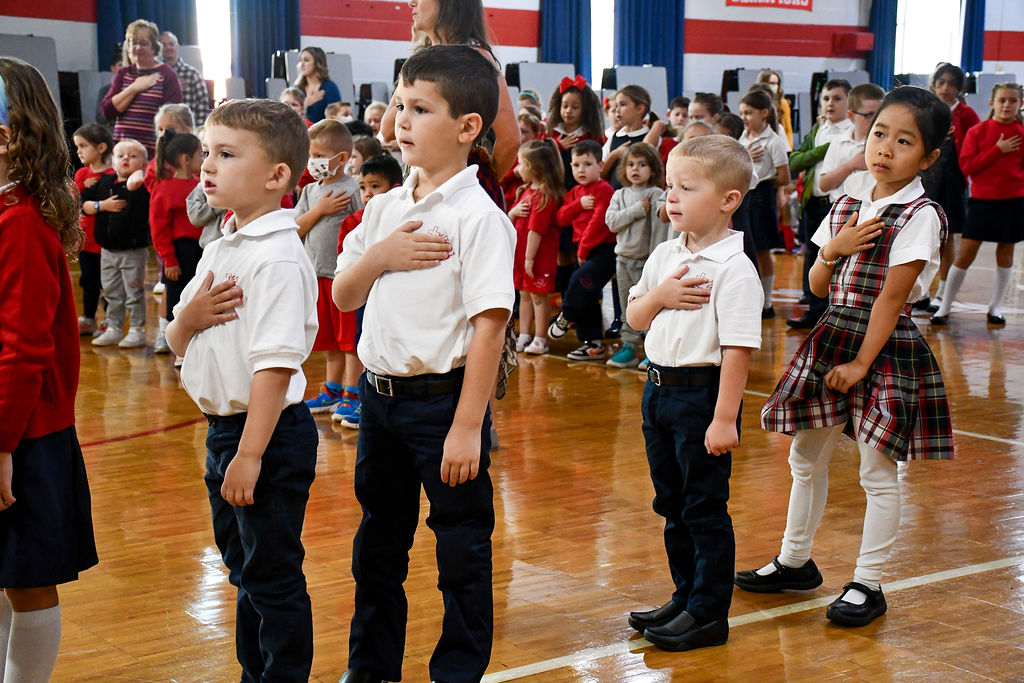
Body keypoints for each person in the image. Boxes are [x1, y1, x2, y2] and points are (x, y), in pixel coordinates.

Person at [736, 87, 955, 628]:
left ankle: (868, 581)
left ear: (927, 158)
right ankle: (794, 560)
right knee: (805, 459)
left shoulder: (921, 214)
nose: (885, 148)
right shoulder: (847, 204)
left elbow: (892, 297)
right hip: (833, 332)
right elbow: (816, 281)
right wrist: (833, 249)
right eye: (880, 134)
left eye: (904, 142)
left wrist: (860, 364)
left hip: (883, 346)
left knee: (878, 474)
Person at [332, 45, 514, 683]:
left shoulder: (478, 218)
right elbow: (344, 295)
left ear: (467, 127)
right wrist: (380, 254)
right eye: (399, 106)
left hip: (444, 404)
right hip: (378, 403)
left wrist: (469, 426)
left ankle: (458, 672)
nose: (399, 122)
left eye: (419, 109)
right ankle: (371, 668)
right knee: (377, 548)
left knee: (461, 551)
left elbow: (489, 327)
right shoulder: (383, 207)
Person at [166, 98, 319, 681]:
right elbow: (177, 337)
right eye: (207, 152)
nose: (207, 166)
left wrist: (249, 455)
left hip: (266, 439)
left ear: (277, 176)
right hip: (225, 432)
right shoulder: (223, 244)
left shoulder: (277, 258)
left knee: (272, 577)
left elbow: (274, 370)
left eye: (227, 155)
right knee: (243, 571)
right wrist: (193, 316)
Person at [624, 135, 761, 652]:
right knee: (671, 504)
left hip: (702, 399)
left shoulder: (734, 269)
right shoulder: (665, 253)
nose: (672, 197)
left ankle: (708, 614)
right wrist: (658, 296)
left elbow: (738, 350)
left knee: (704, 509)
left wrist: (725, 418)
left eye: (686, 187)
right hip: (657, 393)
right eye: (669, 187)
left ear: (728, 200)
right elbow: (635, 318)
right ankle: (684, 596)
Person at [0, 56, 99, 681]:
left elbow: (22, 348)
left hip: (21, 436)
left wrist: (1, 444)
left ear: (7, 136)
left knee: (27, 581)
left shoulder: (20, 225)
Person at [380, 0, 521, 179]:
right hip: (421, 184)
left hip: (457, 189)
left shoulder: (475, 58)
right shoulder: (423, 58)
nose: (411, 3)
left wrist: (485, 185)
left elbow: (510, 139)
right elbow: (387, 129)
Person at [932, 82, 1024, 326]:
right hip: (982, 201)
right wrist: (998, 149)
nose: (1007, 105)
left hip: (1013, 201)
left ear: (1020, 104)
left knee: (1006, 253)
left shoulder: (1022, 134)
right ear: (992, 103)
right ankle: (944, 307)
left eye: (1012, 100)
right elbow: (968, 167)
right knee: (966, 254)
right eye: (1002, 100)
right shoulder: (978, 132)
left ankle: (995, 308)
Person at [296, 119, 363, 422]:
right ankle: (333, 389)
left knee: (349, 339)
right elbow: (295, 228)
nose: (314, 162)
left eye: (320, 155)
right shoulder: (310, 191)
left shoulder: (353, 188)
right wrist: (320, 210)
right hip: (317, 276)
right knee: (329, 340)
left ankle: (354, 392)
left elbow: (363, 226)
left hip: (344, 279)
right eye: (312, 155)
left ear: (342, 158)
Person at [332, 153, 405, 430]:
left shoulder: (403, 220)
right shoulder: (353, 222)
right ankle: (363, 397)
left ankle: (374, 399)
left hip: (393, 300)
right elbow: (345, 264)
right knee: (363, 342)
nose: (367, 193)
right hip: (363, 297)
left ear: (395, 188)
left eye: (375, 186)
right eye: (363, 187)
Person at [787, 79, 853, 329]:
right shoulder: (819, 129)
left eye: (837, 98)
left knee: (833, 257)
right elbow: (795, 162)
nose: (830, 104)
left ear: (848, 103)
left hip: (835, 203)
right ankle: (814, 308)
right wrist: (823, 150)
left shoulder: (850, 132)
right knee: (812, 254)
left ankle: (832, 312)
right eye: (826, 98)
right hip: (812, 201)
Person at [548, 139, 616, 360]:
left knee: (580, 281)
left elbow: (599, 223)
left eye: (587, 164)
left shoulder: (604, 189)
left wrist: (583, 252)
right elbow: (561, 217)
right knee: (587, 292)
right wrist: (578, 205)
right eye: (576, 165)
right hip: (584, 250)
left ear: (601, 166)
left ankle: (566, 316)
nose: (581, 170)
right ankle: (593, 345)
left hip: (603, 249)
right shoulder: (576, 192)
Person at [81, 139, 151, 348]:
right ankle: (114, 327)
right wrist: (101, 205)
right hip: (108, 251)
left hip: (133, 250)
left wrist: (140, 176)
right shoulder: (103, 182)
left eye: (133, 156)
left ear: (143, 163)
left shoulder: (143, 185)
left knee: (134, 292)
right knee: (111, 292)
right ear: (113, 160)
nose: (126, 159)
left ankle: (137, 330)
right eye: (121, 156)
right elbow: (84, 206)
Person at [923, 63, 981, 313]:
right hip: (926, 179)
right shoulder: (925, 109)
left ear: (959, 88)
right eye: (941, 82)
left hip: (954, 182)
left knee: (946, 240)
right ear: (934, 84)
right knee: (922, 238)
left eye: (951, 84)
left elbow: (974, 151)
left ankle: (943, 291)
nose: (946, 88)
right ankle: (920, 291)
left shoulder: (967, 115)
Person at [605, 142, 666, 368]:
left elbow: (659, 231)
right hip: (623, 260)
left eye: (642, 164)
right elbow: (611, 222)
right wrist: (637, 210)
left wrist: (655, 262)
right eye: (631, 164)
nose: (635, 169)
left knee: (651, 307)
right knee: (627, 306)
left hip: (646, 263)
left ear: (653, 169)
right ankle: (629, 347)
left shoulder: (655, 194)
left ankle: (653, 350)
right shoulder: (620, 195)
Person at [508, 139, 564, 356]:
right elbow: (511, 219)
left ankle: (541, 338)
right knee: (524, 295)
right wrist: (513, 213)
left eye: (521, 163)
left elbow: (536, 231)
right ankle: (524, 334)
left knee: (538, 297)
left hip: (536, 258)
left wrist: (529, 259)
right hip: (521, 256)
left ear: (534, 168)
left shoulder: (543, 196)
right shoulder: (524, 191)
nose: (516, 168)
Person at [738, 89, 791, 318]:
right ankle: (750, 298)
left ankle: (767, 302)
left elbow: (785, 177)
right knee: (745, 249)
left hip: (762, 195)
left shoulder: (774, 141)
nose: (744, 117)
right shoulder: (744, 137)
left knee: (762, 250)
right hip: (745, 196)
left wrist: (761, 176)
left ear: (764, 113)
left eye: (748, 112)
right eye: (742, 113)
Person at [149, 130, 202, 346]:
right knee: (177, 297)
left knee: (199, 293)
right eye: (201, 155)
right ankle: (175, 342)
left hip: (202, 248)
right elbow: (159, 229)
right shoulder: (164, 189)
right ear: (185, 159)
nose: (204, 160)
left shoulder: (200, 184)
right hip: (180, 251)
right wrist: (169, 260)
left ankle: (196, 339)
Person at [101, 19, 182, 155]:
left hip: (151, 154)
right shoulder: (123, 73)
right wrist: (134, 88)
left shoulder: (167, 74)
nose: (138, 48)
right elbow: (107, 112)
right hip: (122, 152)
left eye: (144, 43)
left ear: (154, 47)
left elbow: (173, 117)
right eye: (133, 43)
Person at [72, 123, 116, 337]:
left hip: (106, 241)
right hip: (86, 241)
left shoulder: (112, 174)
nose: (78, 151)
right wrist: (82, 187)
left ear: (100, 148)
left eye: (83, 146)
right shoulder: (81, 174)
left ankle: (109, 320)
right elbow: (73, 201)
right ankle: (89, 318)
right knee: (88, 281)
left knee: (108, 283)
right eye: (77, 146)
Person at [817, 84, 885, 203]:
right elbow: (824, 185)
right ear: (851, 115)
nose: (876, 121)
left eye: (880, 114)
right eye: (869, 115)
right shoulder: (839, 141)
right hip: (839, 208)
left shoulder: (885, 144)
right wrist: (851, 165)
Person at [546, 75, 605, 190]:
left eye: (575, 107)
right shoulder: (552, 133)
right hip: (554, 189)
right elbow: (539, 158)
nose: (568, 111)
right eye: (565, 106)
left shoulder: (592, 136)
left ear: (585, 110)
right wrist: (557, 146)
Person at [602, 85, 656, 189]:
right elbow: (600, 172)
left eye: (622, 105)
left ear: (639, 109)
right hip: (616, 199)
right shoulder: (615, 136)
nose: (617, 110)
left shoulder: (650, 136)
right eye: (616, 105)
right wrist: (614, 155)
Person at [158, 31, 210, 126]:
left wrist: (196, 132)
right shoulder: (156, 75)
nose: (168, 47)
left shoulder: (192, 74)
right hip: (163, 130)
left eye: (171, 44)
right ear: (159, 48)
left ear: (177, 46)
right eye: (164, 45)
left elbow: (203, 106)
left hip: (188, 129)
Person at [295, 46, 341, 124]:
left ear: (317, 63)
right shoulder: (297, 89)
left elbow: (336, 117)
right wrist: (305, 104)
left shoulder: (330, 88)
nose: (301, 64)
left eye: (306, 60)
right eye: (300, 60)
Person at [644, 95, 690, 165]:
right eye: (677, 114)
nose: (680, 118)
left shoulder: (692, 136)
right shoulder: (660, 134)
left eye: (685, 115)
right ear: (668, 115)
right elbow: (646, 148)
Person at [758, 69, 793, 148]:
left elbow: (788, 129)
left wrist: (789, 148)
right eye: (772, 83)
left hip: (779, 142)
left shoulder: (783, 103)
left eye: (777, 84)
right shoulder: (754, 101)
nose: (775, 86)